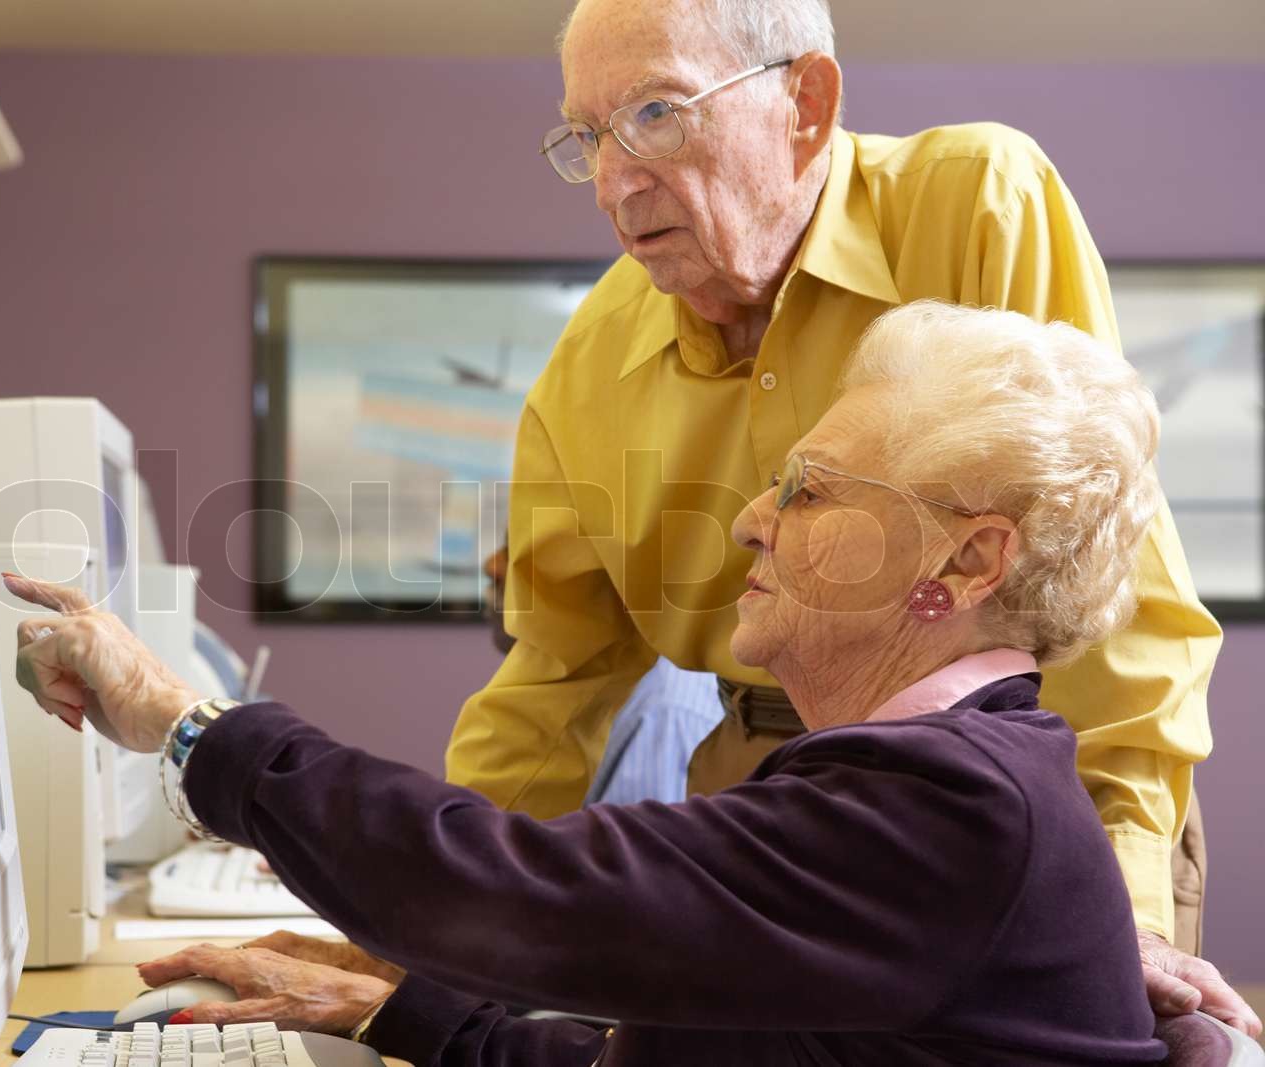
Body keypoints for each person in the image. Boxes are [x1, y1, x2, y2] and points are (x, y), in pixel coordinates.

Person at [6, 304, 1260, 1064]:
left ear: (964, 559)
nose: (753, 519)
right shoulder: (953, 777)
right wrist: (399, 1012)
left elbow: (506, 886)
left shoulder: (950, 811)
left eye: (811, 489)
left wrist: (181, 725)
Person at [446, 0, 1235, 1014]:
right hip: (774, 810)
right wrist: (424, 914)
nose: (612, 180)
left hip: (1026, 790)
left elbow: (1097, 570)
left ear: (804, 104)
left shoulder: (974, 201)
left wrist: (1115, 881)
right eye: (587, 135)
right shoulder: (587, 362)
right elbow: (551, 682)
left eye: (655, 112)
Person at [485, 540, 722, 805]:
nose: (491, 566)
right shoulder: (570, 685)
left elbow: (631, 846)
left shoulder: (661, 712)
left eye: (518, 552)